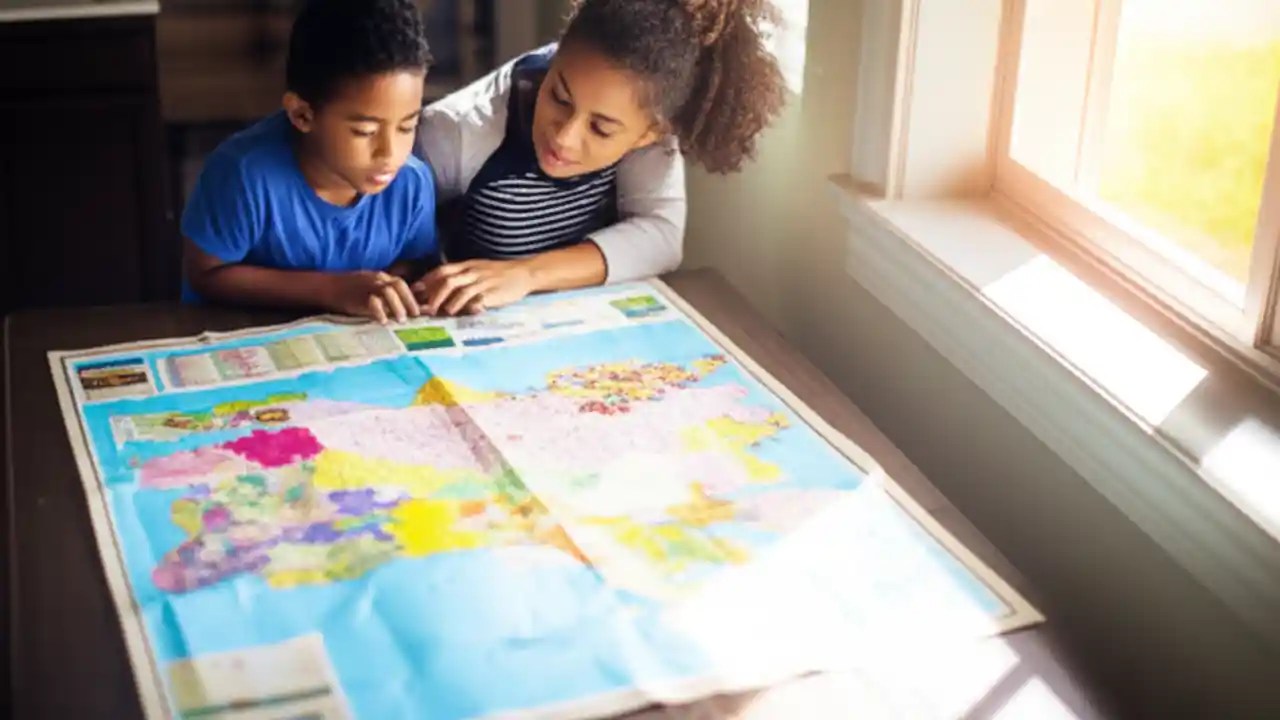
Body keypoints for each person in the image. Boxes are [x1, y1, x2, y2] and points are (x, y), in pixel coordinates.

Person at [415, 0, 785, 316]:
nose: (564, 136)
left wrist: (526, 274)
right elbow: (389, 244)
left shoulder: (651, 134)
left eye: (601, 129)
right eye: (559, 98)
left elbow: (661, 236)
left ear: (650, 133)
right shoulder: (455, 133)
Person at [182, 0, 438, 324]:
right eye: (365, 131)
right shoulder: (245, 174)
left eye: (407, 126)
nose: (390, 153)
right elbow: (205, 273)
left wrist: (390, 287)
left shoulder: (411, 183)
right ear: (302, 114)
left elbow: (417, 262)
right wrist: (332, 290)